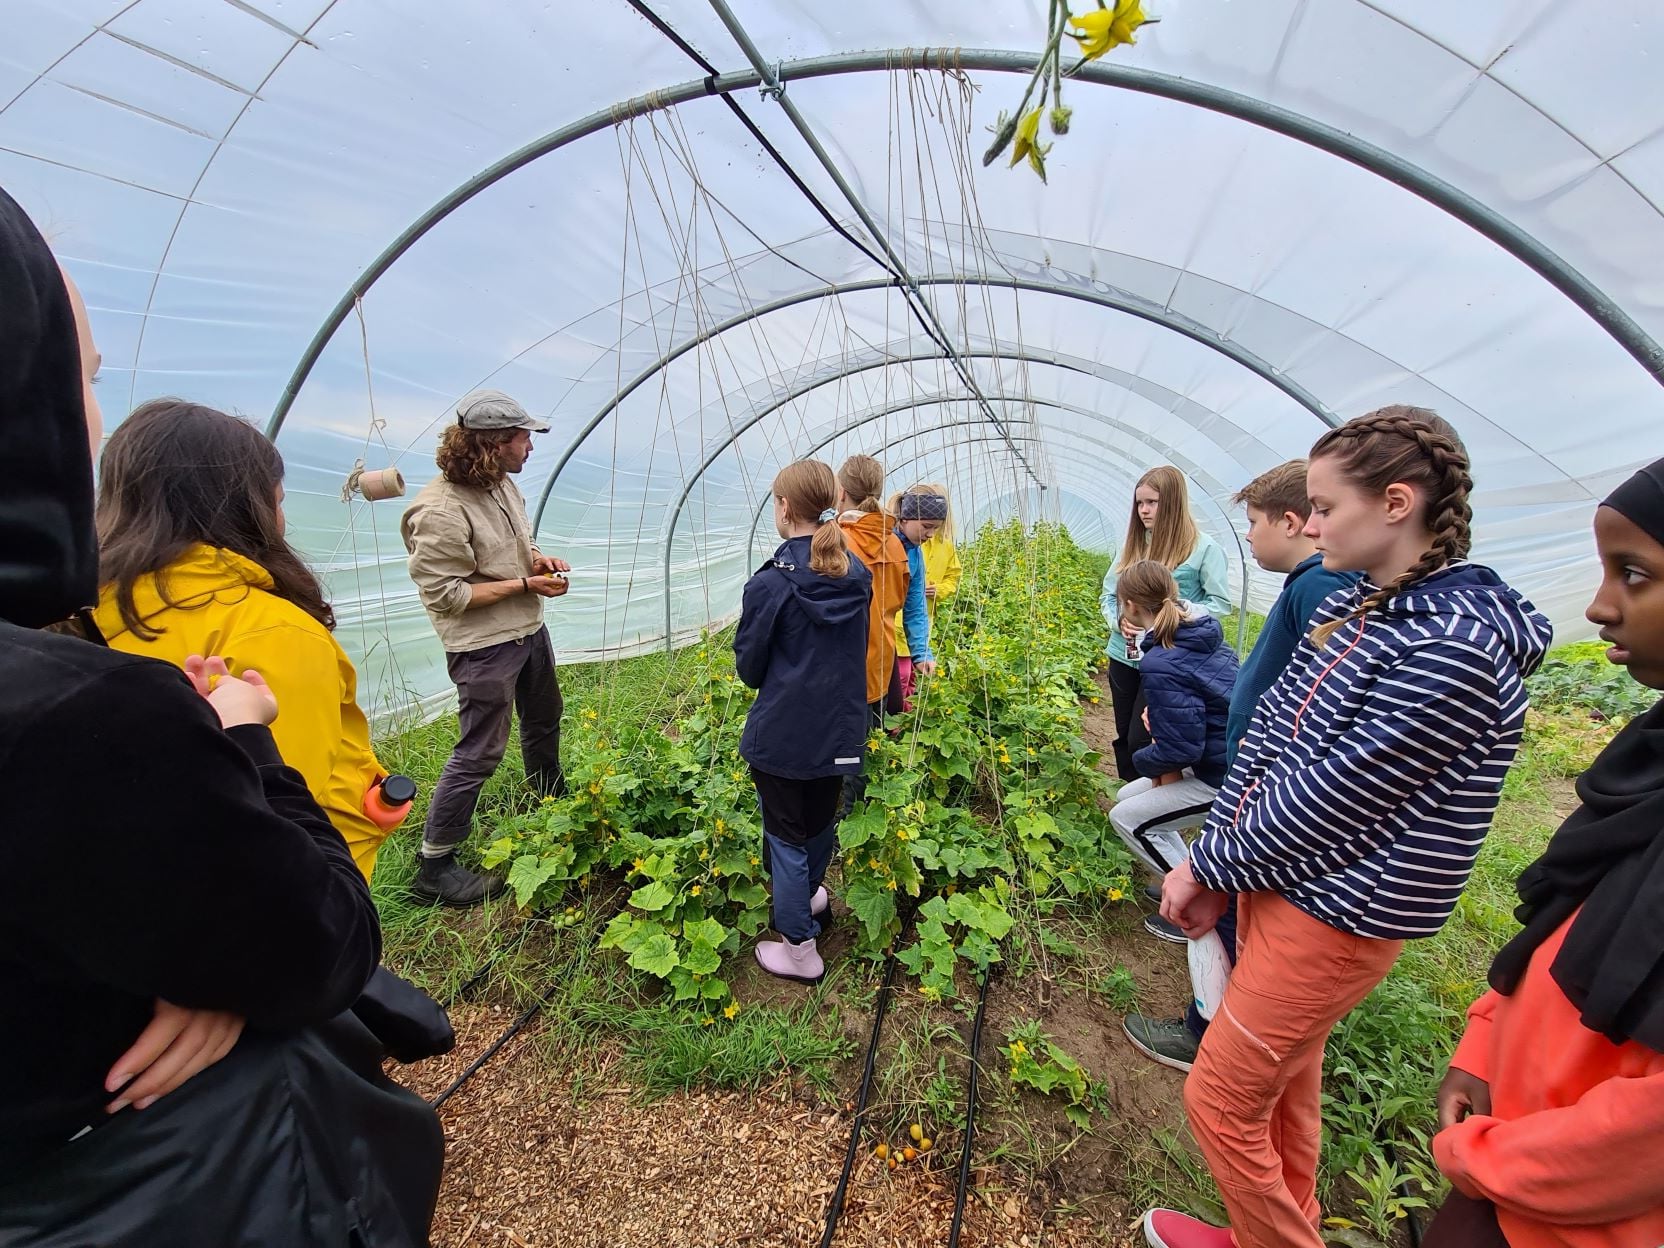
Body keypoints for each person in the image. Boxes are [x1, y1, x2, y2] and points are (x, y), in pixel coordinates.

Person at [0, 189, 440, 1244]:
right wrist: (252, 959)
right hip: (167, 1170)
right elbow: (289, 910)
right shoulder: (171, 675)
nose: (89, 414)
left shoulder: (90, 616)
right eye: (85, 379)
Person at [1145, 407, 1552, 1248]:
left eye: (1327, 507)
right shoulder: (1371, 609)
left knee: (1219, 1098)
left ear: (1396, 503)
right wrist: (1223, 858)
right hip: (1288, 884)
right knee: (1285, 1086)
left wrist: (1207, 866)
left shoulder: (1456, 646)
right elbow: (1274, 738)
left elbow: (1333, 795)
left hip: (1336, 913)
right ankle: (1273, 1225)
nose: (1313, 523)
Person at [1423, 456, 1664, 1248]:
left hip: (1577, 1214)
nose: (1599, 606)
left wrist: (1483, 1160)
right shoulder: (1646, 763)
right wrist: (1486, 1036)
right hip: (1514, 1161)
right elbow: (1562, 923)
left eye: (1635, 574)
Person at [92, 400, 401, 883]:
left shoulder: (81, 616)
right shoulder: (271, 633)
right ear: (246, 508)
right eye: (276, 500)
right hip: (295, 909)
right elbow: (280, 817)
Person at [1122, 460, 1355, 1071]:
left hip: (1250, 781)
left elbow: (1317, 704)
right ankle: (1212, 1016)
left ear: (1294, 521)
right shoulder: (1221, 628)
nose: (1247, 535)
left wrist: (1158, 757)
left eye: (1253, 523)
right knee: (1220, 893)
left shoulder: (1317, 587)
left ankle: (1207, 1031)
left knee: (1210, 891)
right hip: (1244, 771)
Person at [401, 389, 573, 906]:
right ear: (494, 443)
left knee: (545, 715)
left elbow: (516, 544)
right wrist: (524, 586)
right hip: (484, 646)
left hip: (525, 629)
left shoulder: (500, 484)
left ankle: (547, 794)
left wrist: (537, 561)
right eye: (524, 438)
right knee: (480, 749)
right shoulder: (439, 511)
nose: (530, 447)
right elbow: (446, 595)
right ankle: (435, 864)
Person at [735, 460, 872, 983]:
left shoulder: (772, 583)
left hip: (785, 733)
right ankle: (812, 896)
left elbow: (750, 667)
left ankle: (798, 947)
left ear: (786, 508)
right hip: (840, 730)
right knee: (819, 821)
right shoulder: (854, 573)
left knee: (785, 837)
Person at [1102, 466, 1233, 783]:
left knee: (1145, 737)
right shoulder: (1133, 545)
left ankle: (1154, 807)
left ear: (1173, 503)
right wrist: (1119, 622)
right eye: (1139, 503)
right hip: (1125, 654)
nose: (1143, 510)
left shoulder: (1203, 549)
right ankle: (1130, 797)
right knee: (1124, 734)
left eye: (1152, 502)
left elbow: (1219, 605)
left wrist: (1166, 618)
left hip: (1169, 660)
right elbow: (1109, 595)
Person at [835, 454, 912, 815]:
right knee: (867, 740)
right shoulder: (893, 543)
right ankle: (863, 810)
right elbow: (897, 600)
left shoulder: (837, 542)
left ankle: (847, 821)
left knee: (843, 745)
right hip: (881, 658)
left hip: (843, 661)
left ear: (840, 491)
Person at [892, 483, 959, 706]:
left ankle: (893, 730)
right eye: (927, 526)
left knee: (904, 680)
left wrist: (922, 654)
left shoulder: (916, 554)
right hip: (876, 637)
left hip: (901, 631)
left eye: (936, 528)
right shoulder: (883, 544)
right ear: (905, 518)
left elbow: (916, 606)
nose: (930, 534)